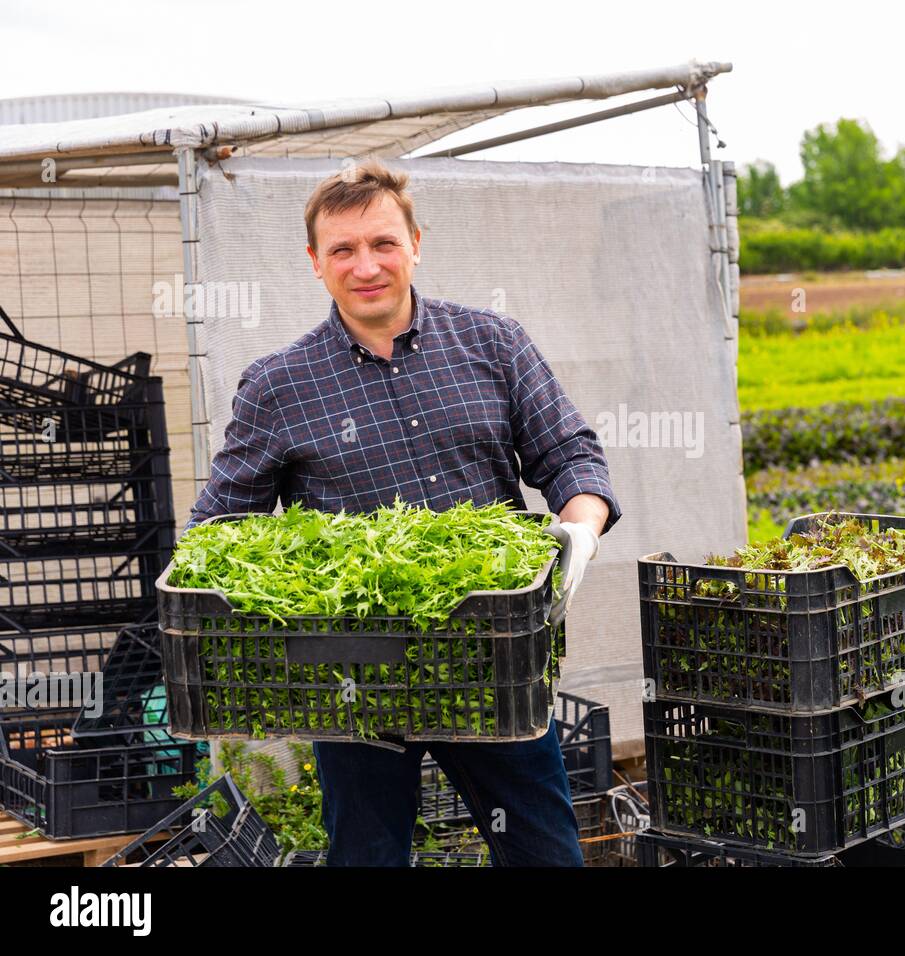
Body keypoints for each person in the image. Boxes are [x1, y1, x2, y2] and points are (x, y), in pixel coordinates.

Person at [184, 159, 621, 866]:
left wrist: (580, 529)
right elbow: (218, 531)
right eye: (343, 250)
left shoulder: (493, 344)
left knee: (544, 852)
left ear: (416, 242)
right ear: (315, 264)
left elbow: (570, 454)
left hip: (493, 665)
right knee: (368, 856)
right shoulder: (277, 386)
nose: (367, 266)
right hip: (353, 685)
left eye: (384, 243)